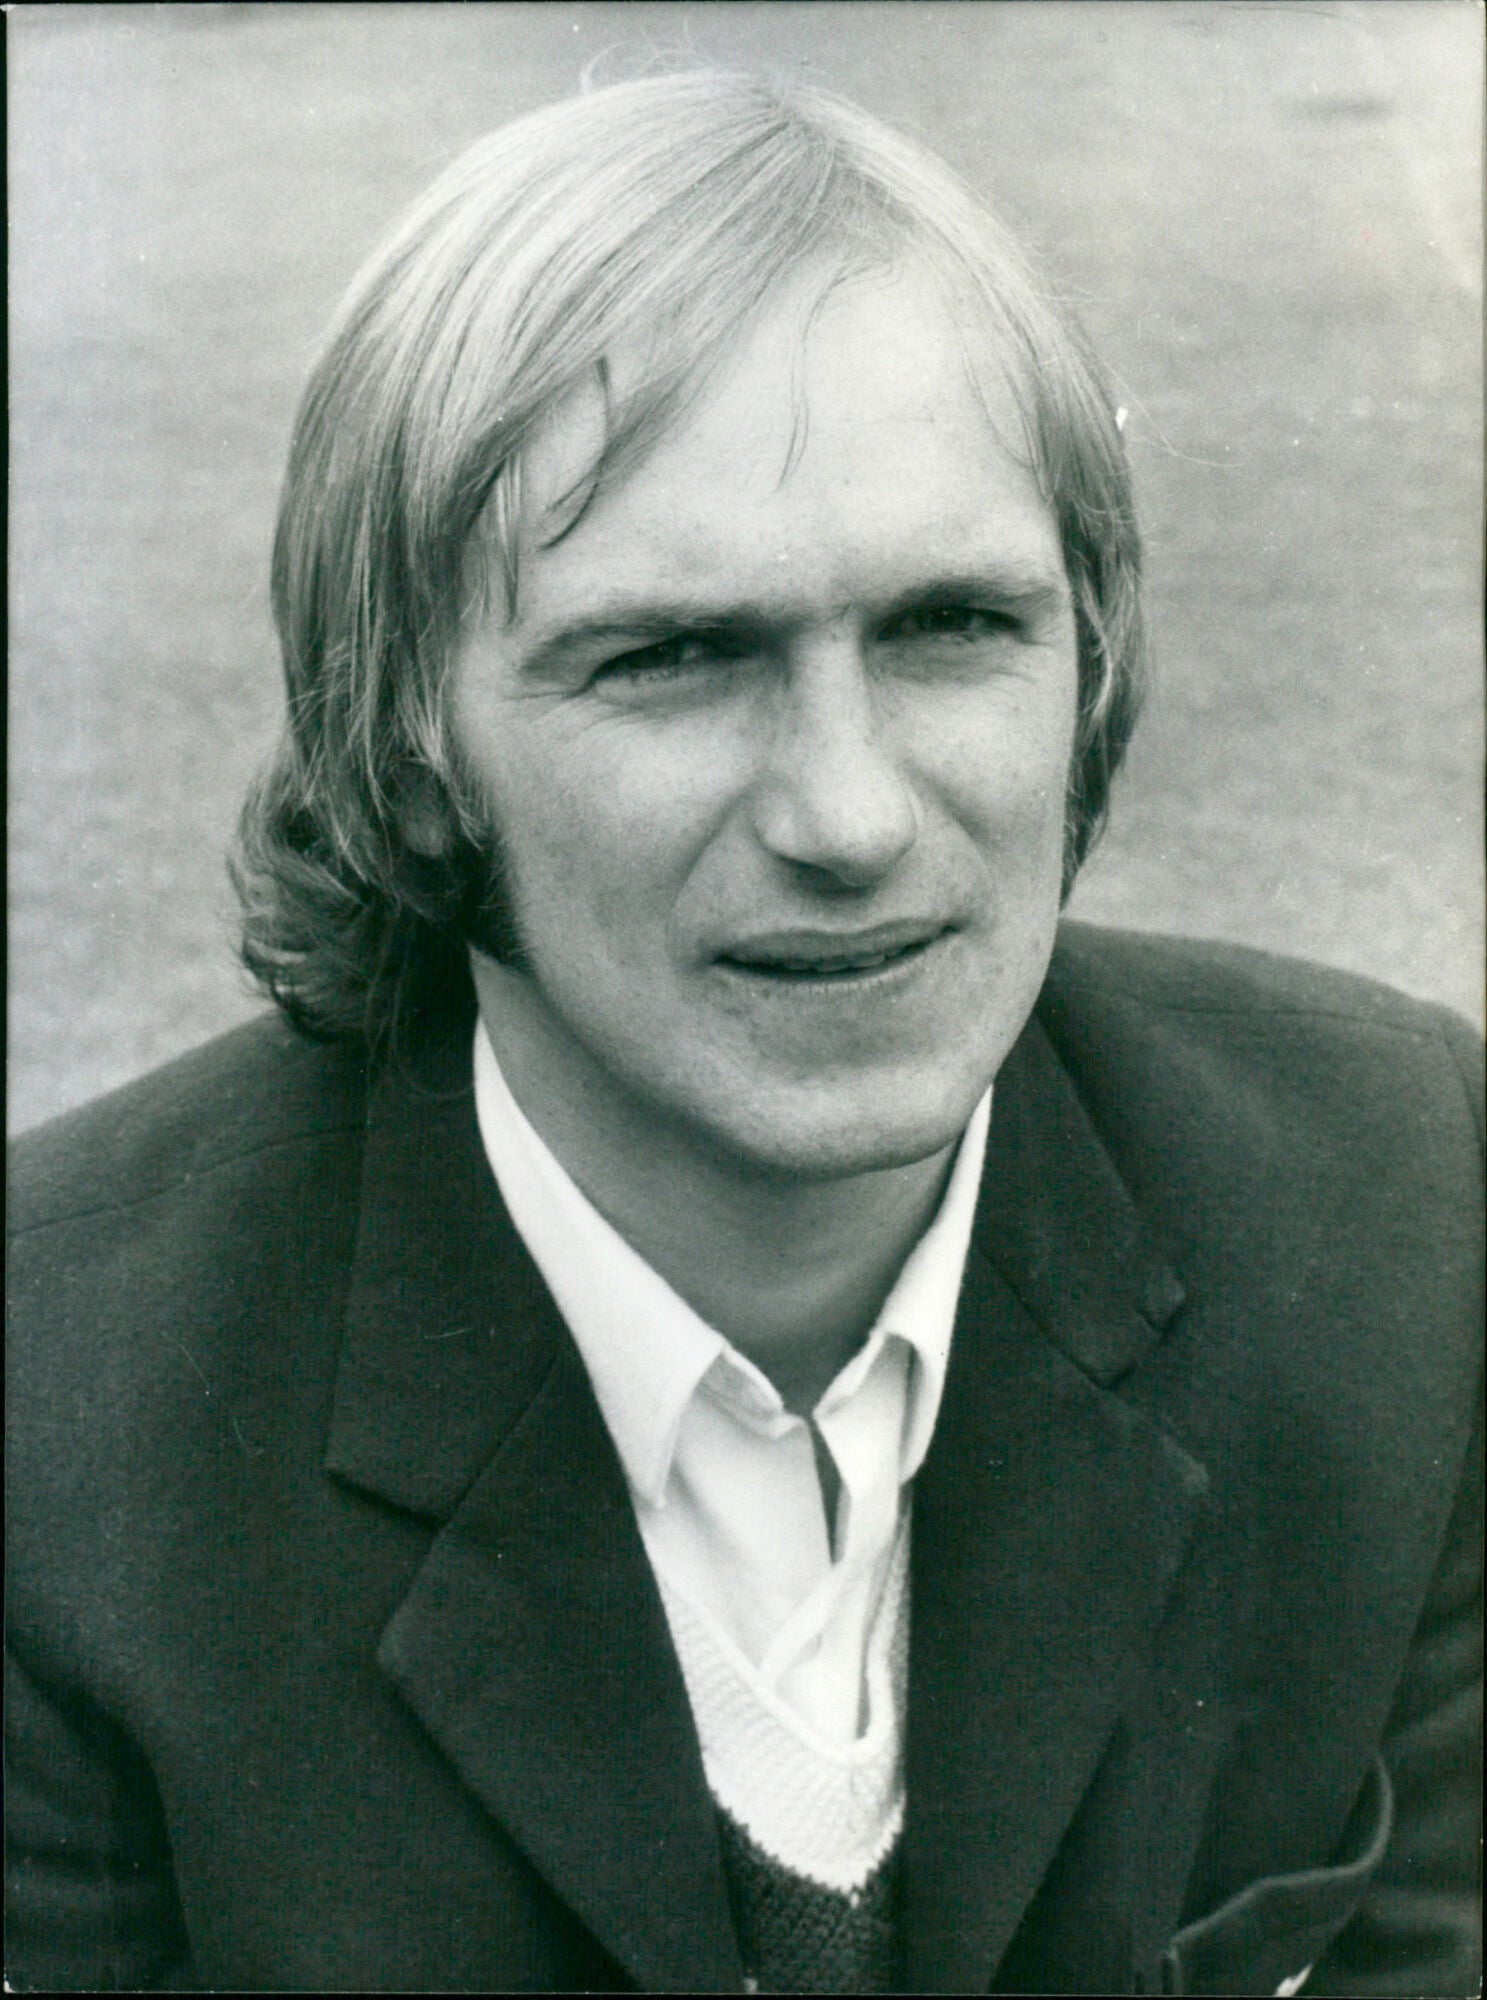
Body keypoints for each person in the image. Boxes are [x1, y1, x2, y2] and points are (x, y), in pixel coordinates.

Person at [5, 70, 1480, 1998]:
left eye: (954, 627)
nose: (850, 818)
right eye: (675, 658)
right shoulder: (59, 1422)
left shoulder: (1403, 1212)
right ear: (411, 748)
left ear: (1091, 661)